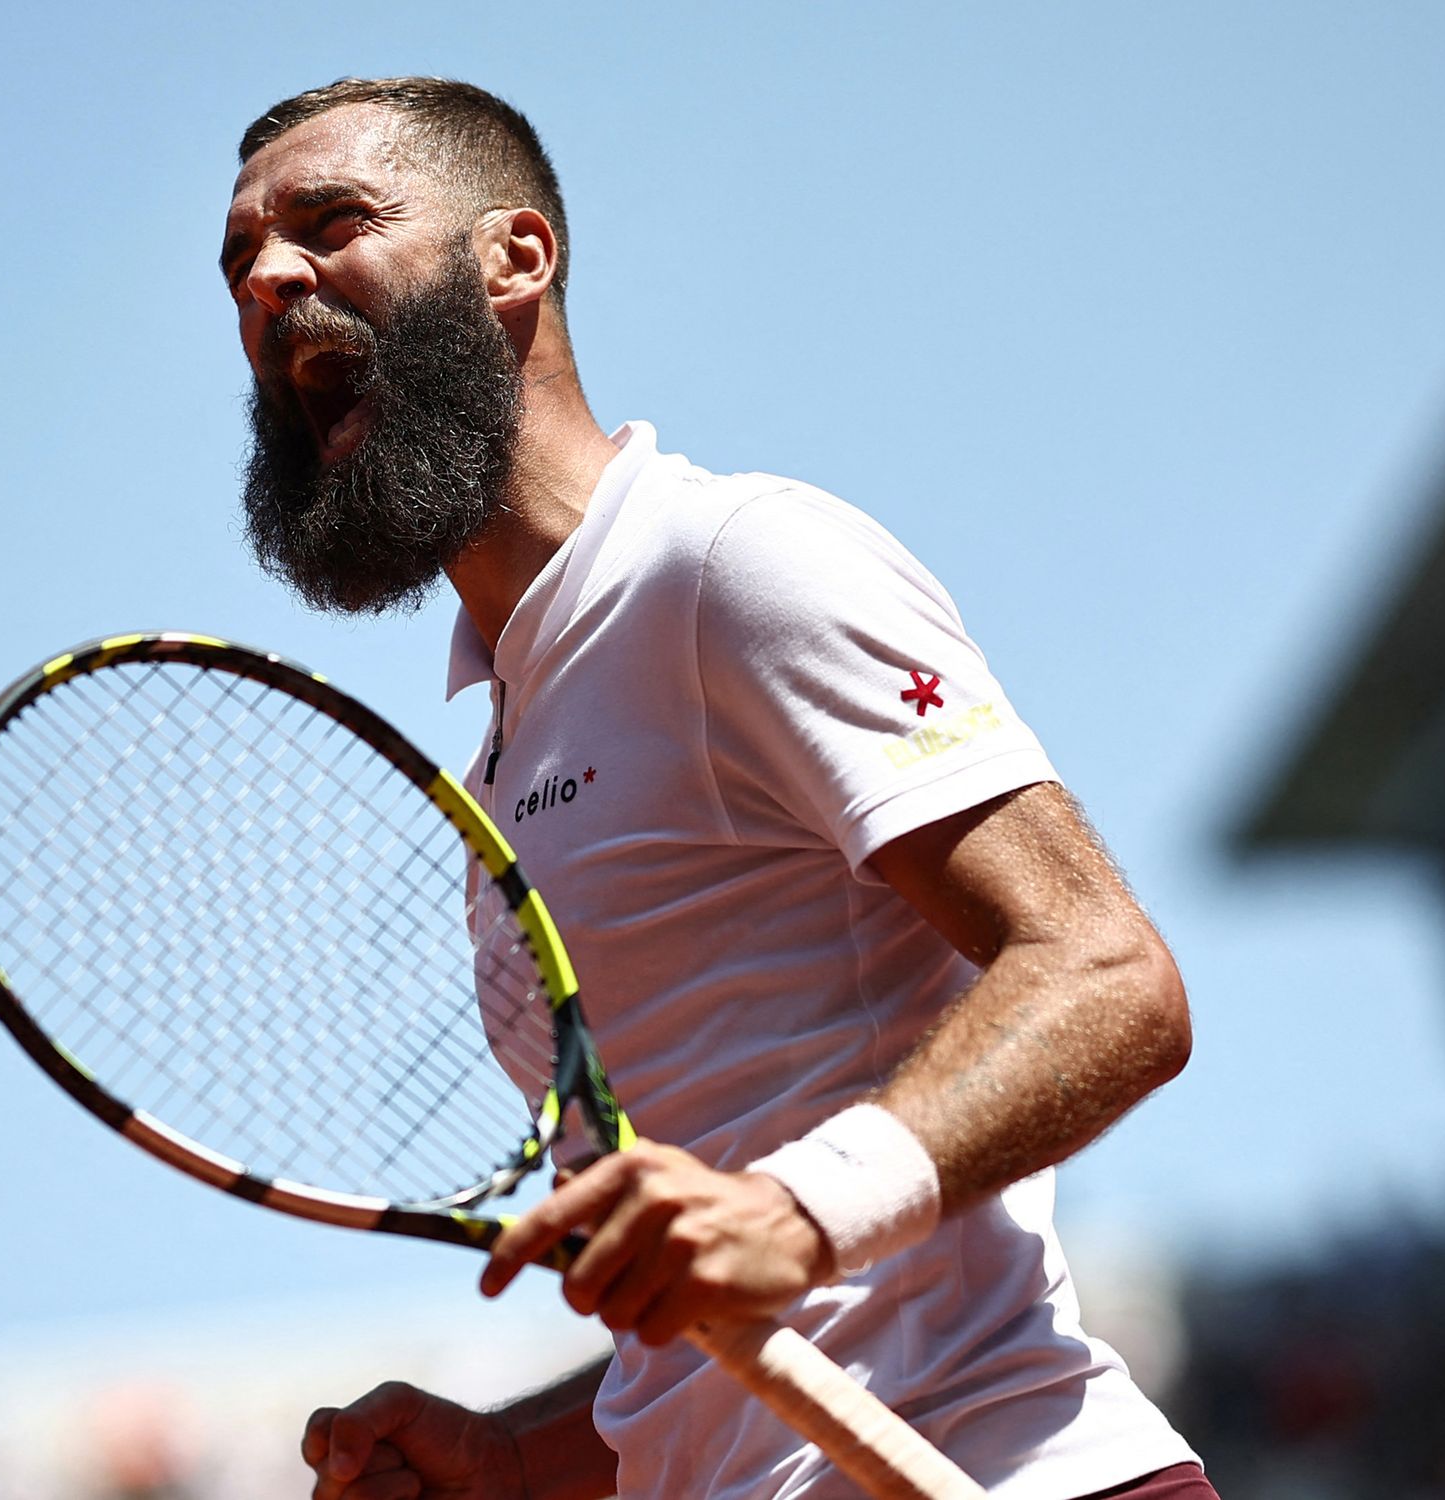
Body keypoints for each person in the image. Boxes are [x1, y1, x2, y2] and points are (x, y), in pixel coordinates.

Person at [223, 78, 1215, 1500]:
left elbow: (1115, 975)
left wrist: (796, 1214)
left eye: (331, 222)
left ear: (518, 258)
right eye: (241, 265)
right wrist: (515, 1460)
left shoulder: (730, 565)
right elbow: (735, 1316)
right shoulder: (503, 762)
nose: (268, 280)